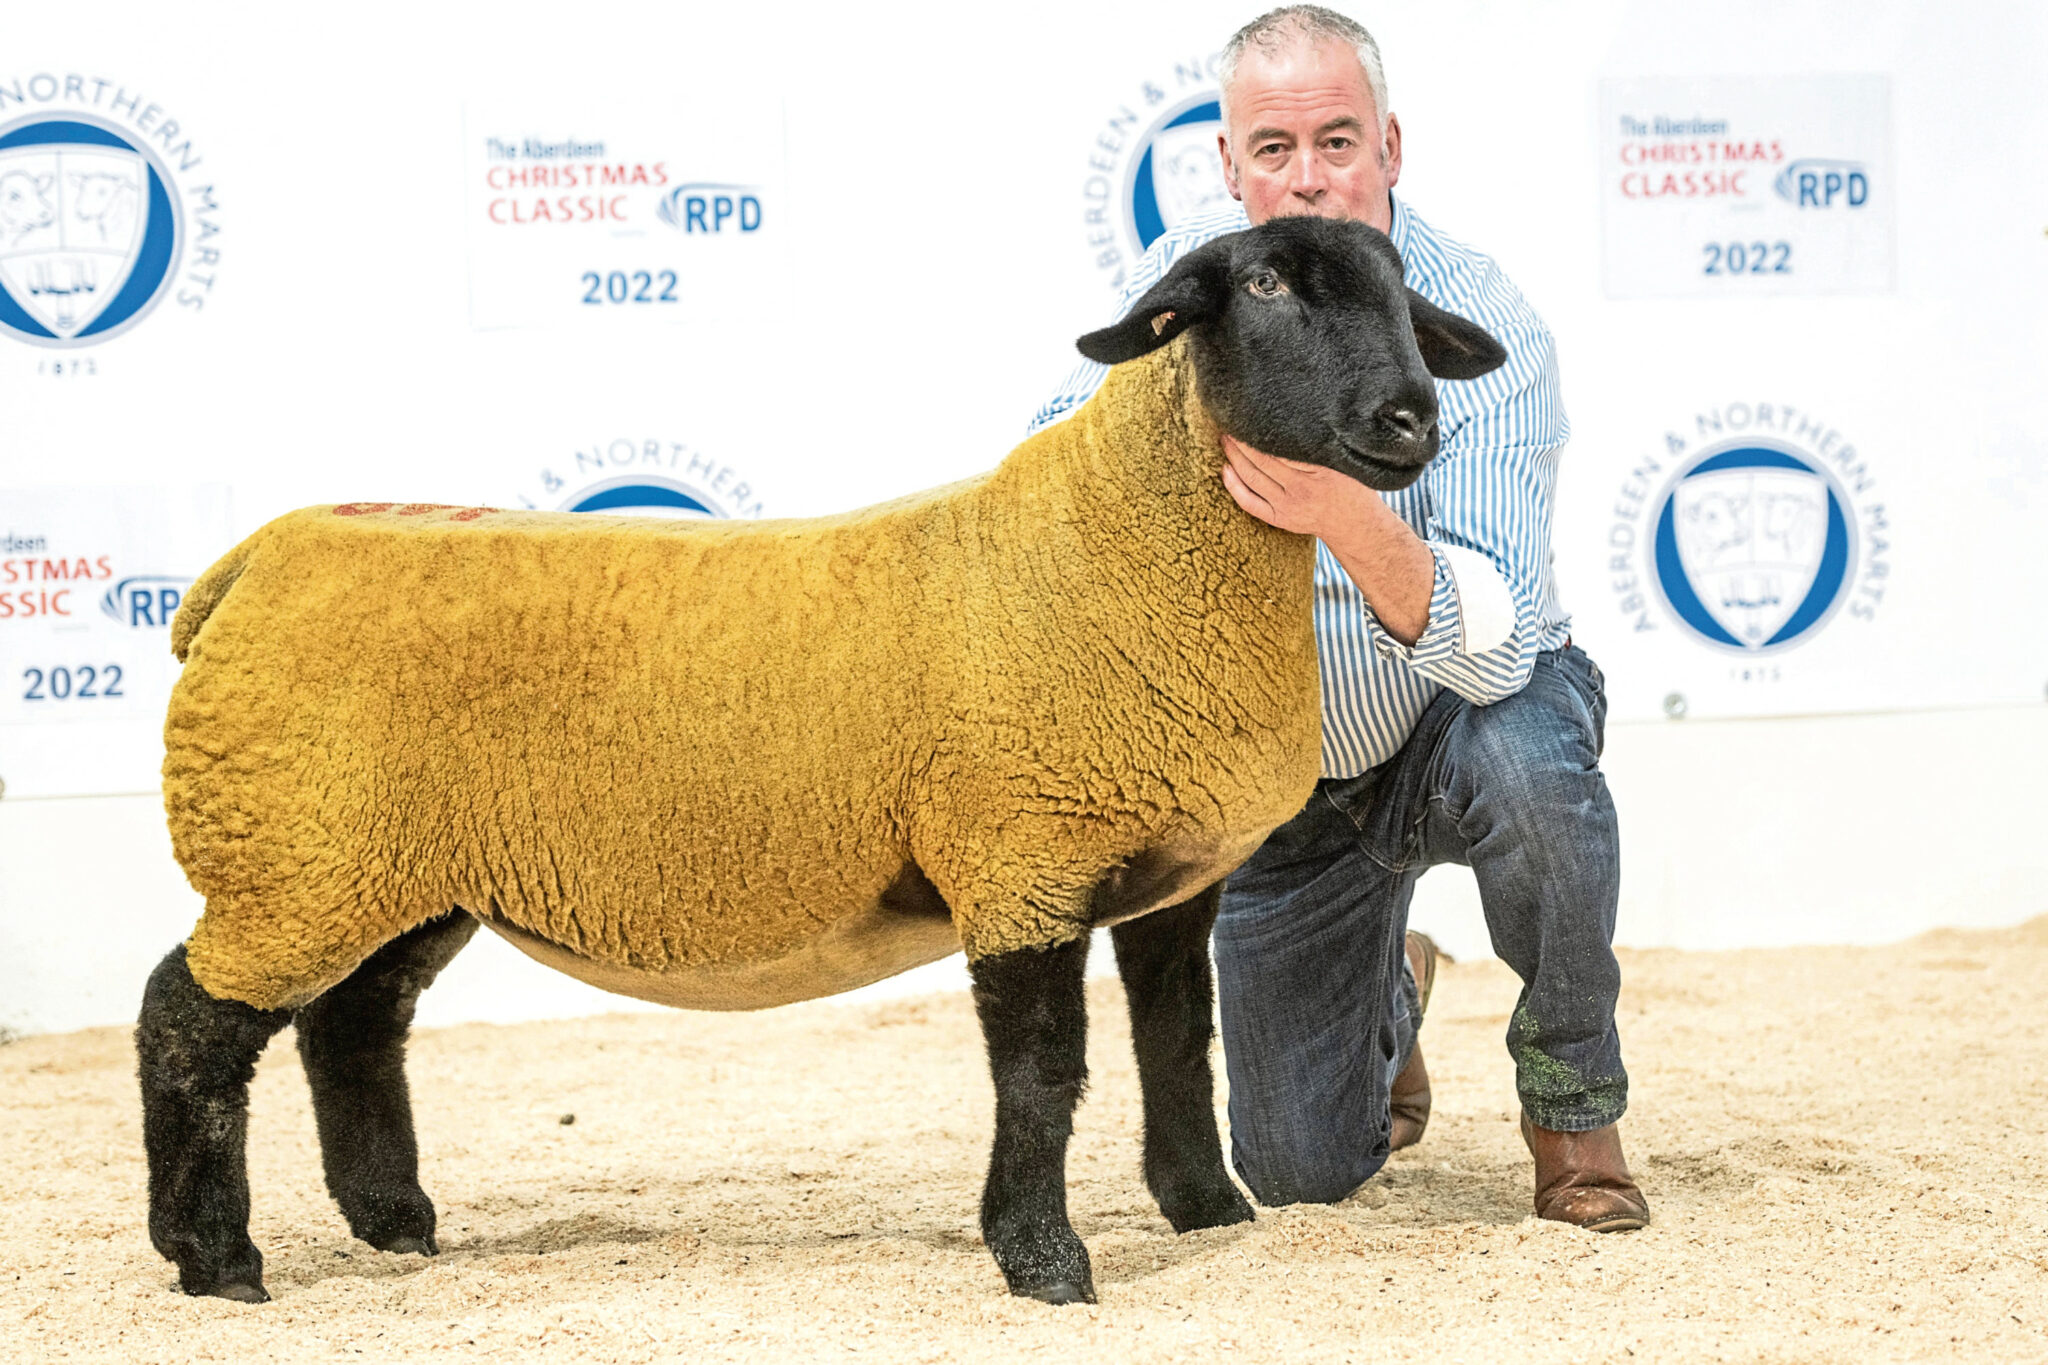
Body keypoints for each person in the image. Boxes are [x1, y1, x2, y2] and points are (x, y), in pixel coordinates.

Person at [1031, 4, 1648, 1231]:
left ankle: (1572, 1109)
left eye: (1334, 140)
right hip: (1286, 784)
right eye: (1270, 148)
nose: (1305, 176)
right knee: (1300, 1171)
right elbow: (1053, 472)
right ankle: (1393, 990)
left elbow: (1498, 642)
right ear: (1225, 164)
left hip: (1455, 716)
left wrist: (1334, 507)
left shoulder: (1487, 319)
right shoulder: (1194, 291)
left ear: (1390, 147)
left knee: (1527, 758)